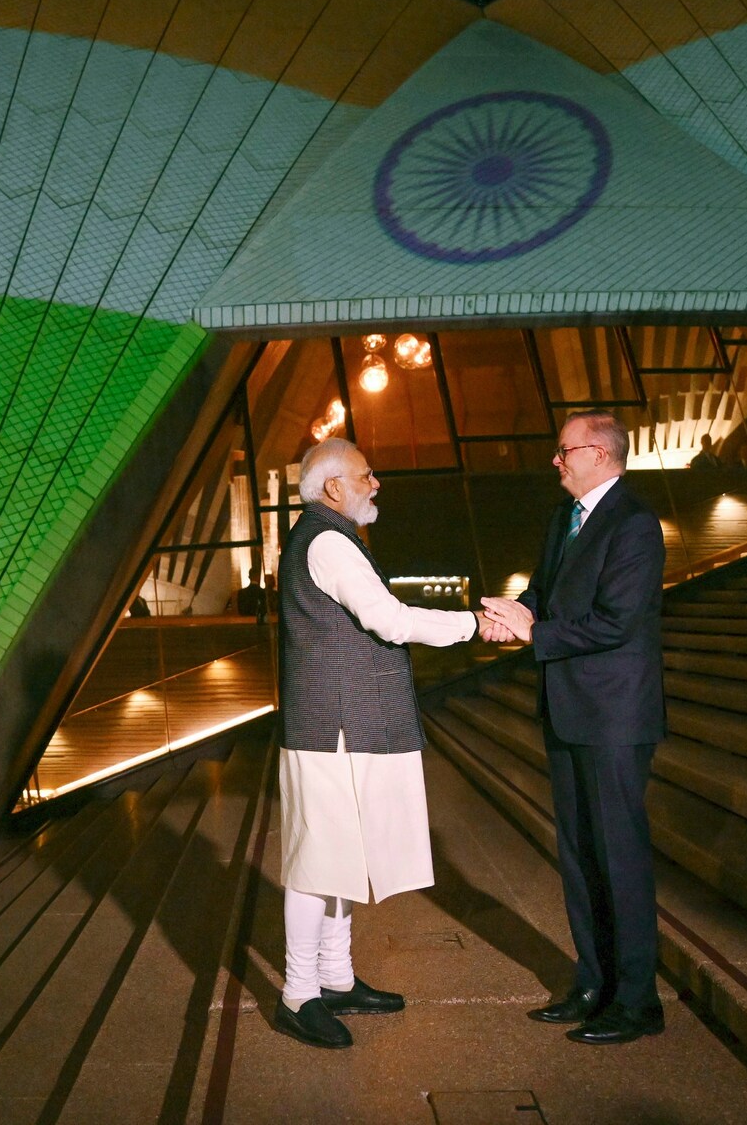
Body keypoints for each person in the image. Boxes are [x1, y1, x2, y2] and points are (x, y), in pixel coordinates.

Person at [274, 438, 477, 1050]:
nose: (376, 483)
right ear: (333, 488)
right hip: (330, 729)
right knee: (314, 865)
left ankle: (335, 978)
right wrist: (475, 624)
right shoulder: (330, 541)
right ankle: (298, 994)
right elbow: (388, 620)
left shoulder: (324, 534)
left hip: (335, 725)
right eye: (366, 475)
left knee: (336, 857)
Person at [481, 409, 667, 1046]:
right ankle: (592, 984)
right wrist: (515, 614)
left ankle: (638, 1000)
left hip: (614, 717)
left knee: (619, 858)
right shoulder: (566, 518)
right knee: (581, 855)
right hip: (568, 709)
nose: (555, 461)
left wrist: (537, 633)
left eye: (564, 451)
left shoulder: (636, 525)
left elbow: (616, 621)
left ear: (599, 454)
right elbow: (546, 594)